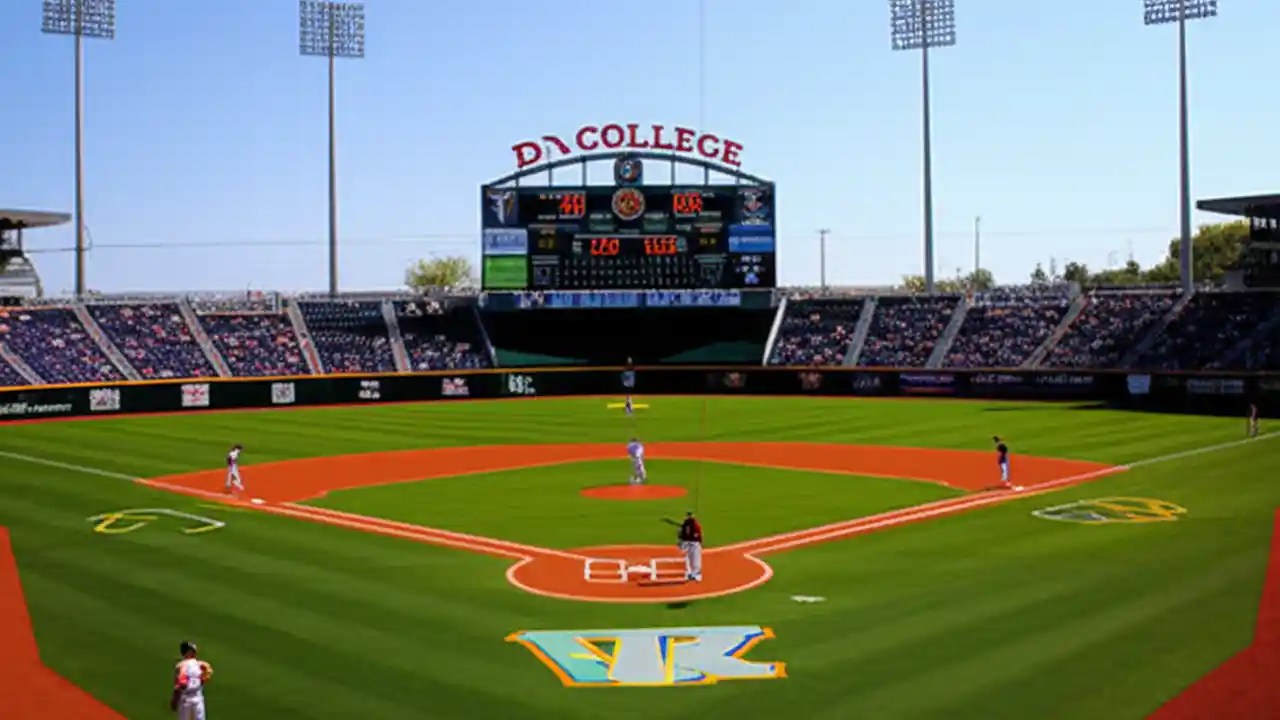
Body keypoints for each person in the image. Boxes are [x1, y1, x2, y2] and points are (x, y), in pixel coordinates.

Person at [171, 640, 213, 720]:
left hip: (185, 701)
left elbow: (181, 684)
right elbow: (207, 675)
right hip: (198, 699)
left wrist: (174, 700)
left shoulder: (180, 666)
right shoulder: (202, 665)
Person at [678, 511, 703, 582]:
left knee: (696, 559)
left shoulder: (695, 524)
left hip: (694, 543)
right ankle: (688, 573)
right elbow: (682, 535)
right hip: (687, 543)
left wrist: (699, 542)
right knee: (687, 558)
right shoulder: (685, 523)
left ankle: (697, 574)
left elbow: (698, 535)